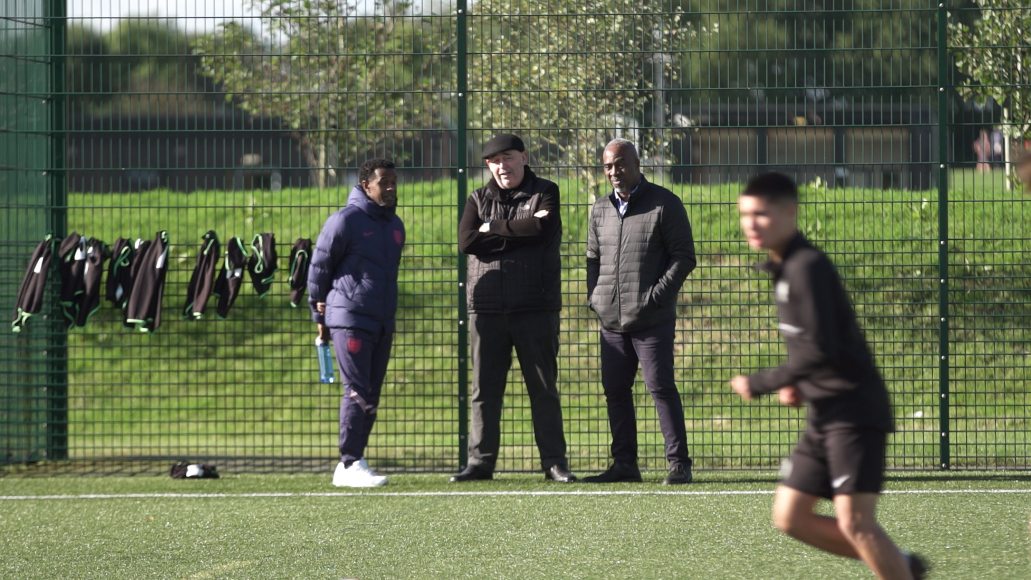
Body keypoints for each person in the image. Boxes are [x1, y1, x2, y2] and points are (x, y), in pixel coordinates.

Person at [729, 172, 927, 579]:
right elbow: (821, 347)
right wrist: (800, 384)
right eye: (746, 214)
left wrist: (762, 382)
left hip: (853, 411)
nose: (751, 223)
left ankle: (896, 568)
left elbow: (821, 349)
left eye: (761, 214)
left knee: (856, 522)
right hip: (824, 413)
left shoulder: (808, 267)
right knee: (790, 516)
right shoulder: (783, 268)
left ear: (790, 212)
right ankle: (899, 565)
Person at [452, 133, 576, 483]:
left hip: (535, 306)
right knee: (484, 392)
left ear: (523, 157)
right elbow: (466, 241)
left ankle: (554, 463)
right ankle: (481, 463)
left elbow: (541, 227)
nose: (501, 166)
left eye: (508, 157)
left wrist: (491, 229)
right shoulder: (477, 198)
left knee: (543, 390)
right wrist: (513, 232)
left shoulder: (546, 190)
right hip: (487, 309)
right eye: (494, 161)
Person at [584, 138, 697, 485]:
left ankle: (679, 465)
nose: (614, 172)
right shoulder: (600, 209)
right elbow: (593, 259)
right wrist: (596, 298)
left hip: (651, 319)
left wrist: (655, 297)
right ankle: (625, 465)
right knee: (615, 391)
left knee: (660, 387)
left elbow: (684, 258)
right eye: (608, 166)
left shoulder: (665, 203)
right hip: (611, 322)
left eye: (620, 164)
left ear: (636, 164)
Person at [308, 158, 405, 488]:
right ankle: (349, 462)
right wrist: (318, 318)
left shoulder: (395, 226)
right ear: (366, 185)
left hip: (382, 320)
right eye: (383, 182)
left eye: (394, 181)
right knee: (356, 390)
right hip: (349, 318)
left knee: (371, 392)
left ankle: (355, 460)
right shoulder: (345, 221)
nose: (391, 187)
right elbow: (319, 269)